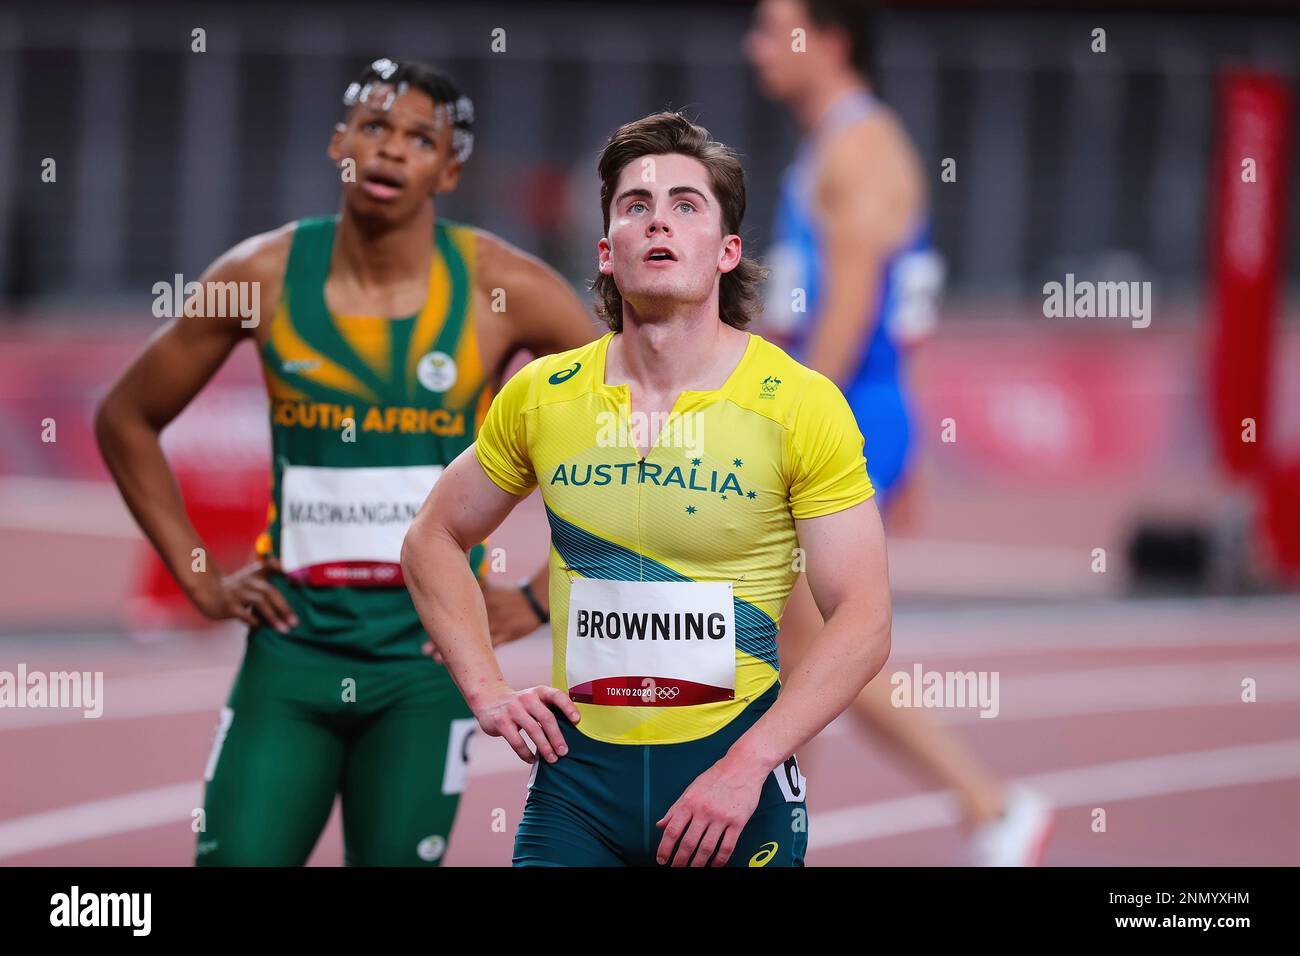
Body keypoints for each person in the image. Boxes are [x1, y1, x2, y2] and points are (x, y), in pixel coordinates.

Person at [95, 57, 595, 866]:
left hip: (428, 664)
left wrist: (540, 596)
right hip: (290, 653)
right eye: (374, 127)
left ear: (450, 168)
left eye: (420, 138)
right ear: (340, 143)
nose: (392, 151)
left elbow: (628, 427)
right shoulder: (260, 276)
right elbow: (126, 417)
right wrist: (196, 575)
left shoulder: (506, 288)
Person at [401, 111, 892, 867]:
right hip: (577, 791)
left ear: (727, 252)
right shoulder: (544, 397)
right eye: (636, 206)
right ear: (607, 251)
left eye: (685, 206)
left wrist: (748, 765)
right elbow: (433, 536)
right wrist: (488, 692)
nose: (658, 221)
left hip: (732, 791)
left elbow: (862, 619)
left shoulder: (799, 404)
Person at [746, 0, 1054, 865]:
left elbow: (849, 315)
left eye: (775, 29)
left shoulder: (858, 148)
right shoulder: (837, 144)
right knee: (795, 644)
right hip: (861, 409)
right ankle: (788, 828)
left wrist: (800, 427)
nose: (756, 46)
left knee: (813, 645)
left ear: (832, 40)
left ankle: (987, 804)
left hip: (842, 409)